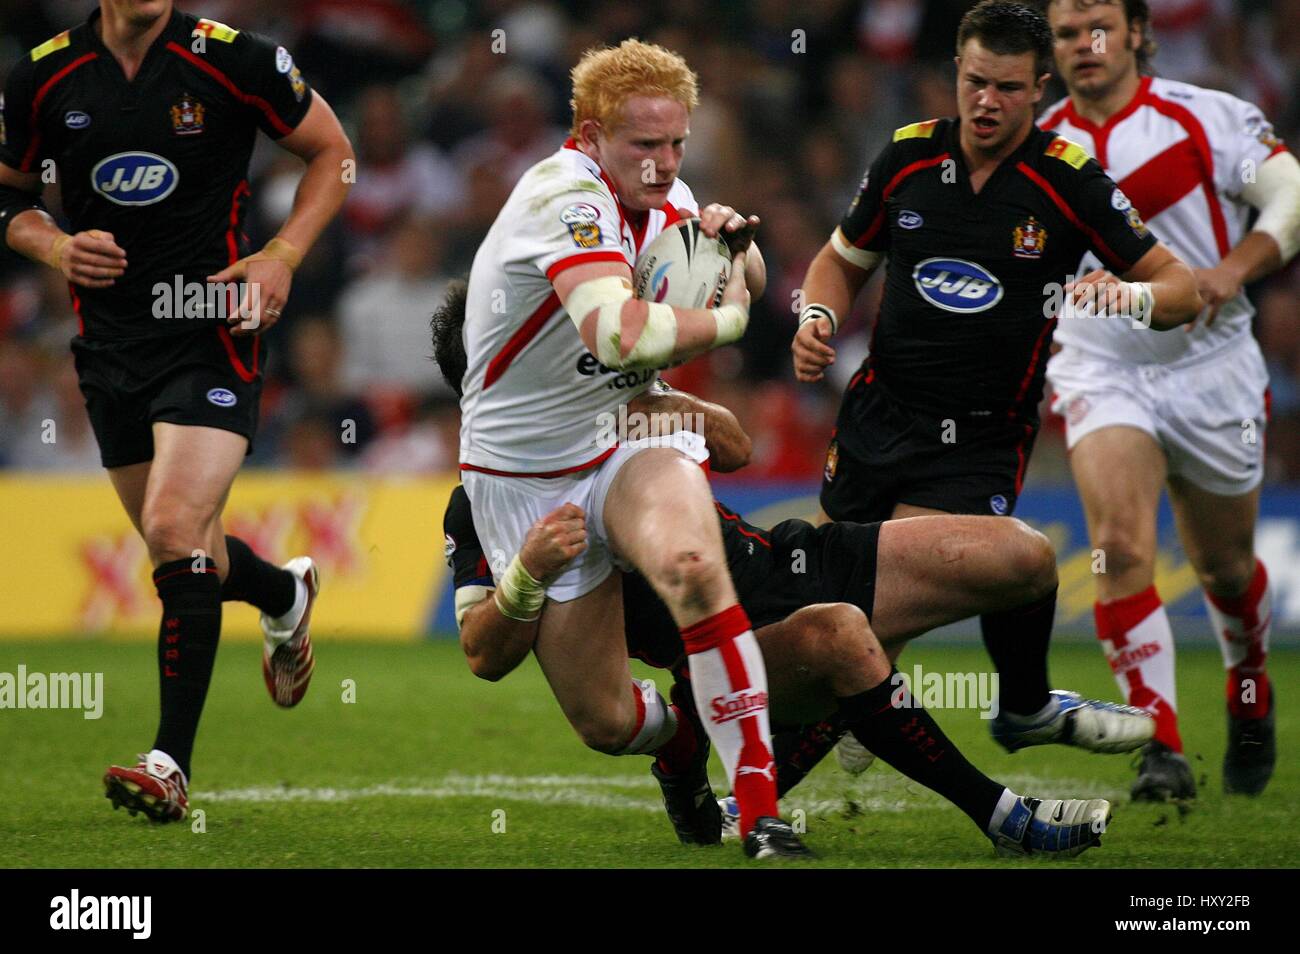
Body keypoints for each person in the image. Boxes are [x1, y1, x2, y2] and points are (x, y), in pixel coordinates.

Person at [433, 283, 1148, 860]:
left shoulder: (609, 406)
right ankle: (1005, 817)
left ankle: (1017, 710)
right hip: (737, 642)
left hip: (792, 555)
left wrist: (646, 405)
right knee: (843, 637)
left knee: (1023, 555)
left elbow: (735, 444)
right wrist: (526, 572)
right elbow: (482, 651)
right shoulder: (483, 504)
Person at [788, 0, 1201, 774]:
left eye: (1008, 88)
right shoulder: (907, 156)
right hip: (875, 417)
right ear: (955, 71)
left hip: (976, 439)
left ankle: (759, 795)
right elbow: (841, 259)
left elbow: (1178, 286)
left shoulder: (1068, 182)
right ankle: (965, 704)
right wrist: (815, 315)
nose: (987, 101)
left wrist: (1133, 296)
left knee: (860, 613)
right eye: (976, 81)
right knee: (832, 603)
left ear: (1040, 88)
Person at [0, 0, 354, 822]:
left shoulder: (234, 58)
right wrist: (53, 245)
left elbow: (334, 155)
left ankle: (170, 765)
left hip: (211, 325)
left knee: (171, 528)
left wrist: (281, 254)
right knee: (184, 549)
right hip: (110, 346)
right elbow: (7, 200)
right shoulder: (43, 74)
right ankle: (281, 595)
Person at [457, 39, 804, 858]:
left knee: (691, 566)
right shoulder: (562, 196)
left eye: (676, 143)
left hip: (624, 430)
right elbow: (617, 334)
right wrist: (725, 321)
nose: (664, 163)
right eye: (643, 145)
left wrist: (733, 242)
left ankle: (761, 812)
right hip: (524, 472)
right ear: (590, 134)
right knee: (608, 721)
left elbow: (746, 273)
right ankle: (683, 748)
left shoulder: (671, 193)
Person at [1036, 0, 1300, 800]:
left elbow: (1290, 198)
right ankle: (1162, 744)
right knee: (1118, 542)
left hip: (1212, 363)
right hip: (1101, 364)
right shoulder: (1038, 144)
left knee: (1223, 566)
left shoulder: (1211, 117)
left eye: (1099, 27)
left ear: (1138, 33)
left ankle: (1248, 681)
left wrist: (1232, 270)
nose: (1084, 45)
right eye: (1066, 33)